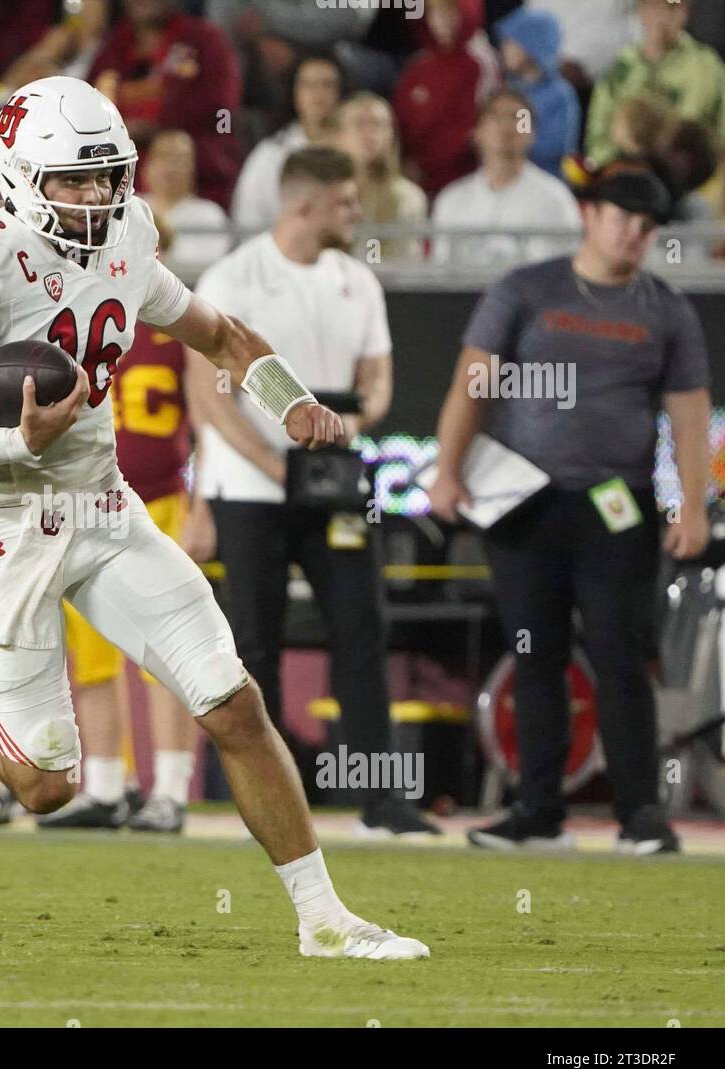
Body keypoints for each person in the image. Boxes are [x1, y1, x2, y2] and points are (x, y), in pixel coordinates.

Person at [0, 75, 429, 959]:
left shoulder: (129, 235)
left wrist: (286, 401)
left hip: (101, 505)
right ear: (21, 177)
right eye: (75, 180)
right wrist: (12, 445)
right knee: (46, 788)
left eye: (110, 176)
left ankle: (326, 919)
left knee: (234, 700)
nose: (99, 197)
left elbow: (219, 334)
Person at [427, 161, 710, 855]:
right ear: (589, 214)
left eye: (647, 227)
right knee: (534, 653)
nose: (634, 234)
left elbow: (691, 417)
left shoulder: (667, 310)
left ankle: (641, 814)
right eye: (623, 218)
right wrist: (446, 471)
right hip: (525, 503)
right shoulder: (526, 289)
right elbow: (473, 384)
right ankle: (537, 811)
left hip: (619, 506)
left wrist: (692, 506)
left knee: (621, 654)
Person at [188, 146, 439, 840]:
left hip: (333, 490)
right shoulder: (231, 278)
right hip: (249, 490)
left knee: (362, 631)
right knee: (255, 644)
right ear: (304, 203)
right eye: (346, 202)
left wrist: (352, 424)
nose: (358, 214)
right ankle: (262, 803)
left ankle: (381, 800)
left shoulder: (359, 282)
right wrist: (274, 468)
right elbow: (207, 398)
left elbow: (378, 377)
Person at [39, 311, 203, 834]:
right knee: (90, 658)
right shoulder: (69, 324)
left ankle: (171, 791)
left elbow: (209, 422)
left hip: (159, 502)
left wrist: (203, 505)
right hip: (85, 505)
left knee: (165, 653)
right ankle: (106, 787)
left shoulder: (176, 328)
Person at [87, 0, 242, 210]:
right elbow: (86, 109)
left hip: (195, 179)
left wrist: (158, 129)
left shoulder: (205, 40)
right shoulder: (113, 47)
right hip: (118, 182)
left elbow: (223, 109)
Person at [431, 89, 583, 268]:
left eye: (518, 118)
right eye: (496, 117)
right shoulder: (452, 199)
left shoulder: (554, 197)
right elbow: (441, 269)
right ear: (477, 132)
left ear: (531, 133)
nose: (506, 126)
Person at [587, 0, 725, 167]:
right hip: (627, 174)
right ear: (641, 11)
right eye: (657, 8)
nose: (665, 17)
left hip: (689, 174)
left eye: (674, 8)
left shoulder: (706, 66)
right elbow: (598, 140)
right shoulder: (619, 69)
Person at [393, 0, 500, 198]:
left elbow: (480, 126)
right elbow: (400, 122)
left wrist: (427, 164)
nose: (442, 22)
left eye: (451, 14)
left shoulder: (481, 63)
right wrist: (404, 162)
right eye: (435, 14)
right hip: (414, 181)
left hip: (463, 182)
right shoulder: (418, 65)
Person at [230, 51, 345, 236]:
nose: (318, 94)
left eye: (327, 85)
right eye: (308, 85)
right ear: (295, 92)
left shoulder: (355, 152)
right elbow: (247, 220)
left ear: (340, 92)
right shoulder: (270, 154)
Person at [327, 92, 427, 263]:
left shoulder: (408, 198)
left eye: (377, 124)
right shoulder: (321, 194)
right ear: (339, 136)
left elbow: (396, 262)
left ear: (391, 137)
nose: (369, 133)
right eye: (359, 124)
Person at [496, 7, 581, 179]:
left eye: (511, 43)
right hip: (510, 179)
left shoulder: (560, 95)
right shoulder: (508, 90)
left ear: (532, 46)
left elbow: (557, 146)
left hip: (547, 180)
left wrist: (513, 141)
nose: (503, 49)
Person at [139, 129, 231, 285]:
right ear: (147, 167)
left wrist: (165, 247)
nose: (170, 167)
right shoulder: (131, 207)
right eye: (163, 157)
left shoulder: (210, 214)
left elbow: (210, 268)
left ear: (193, 168)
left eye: (179, 159)